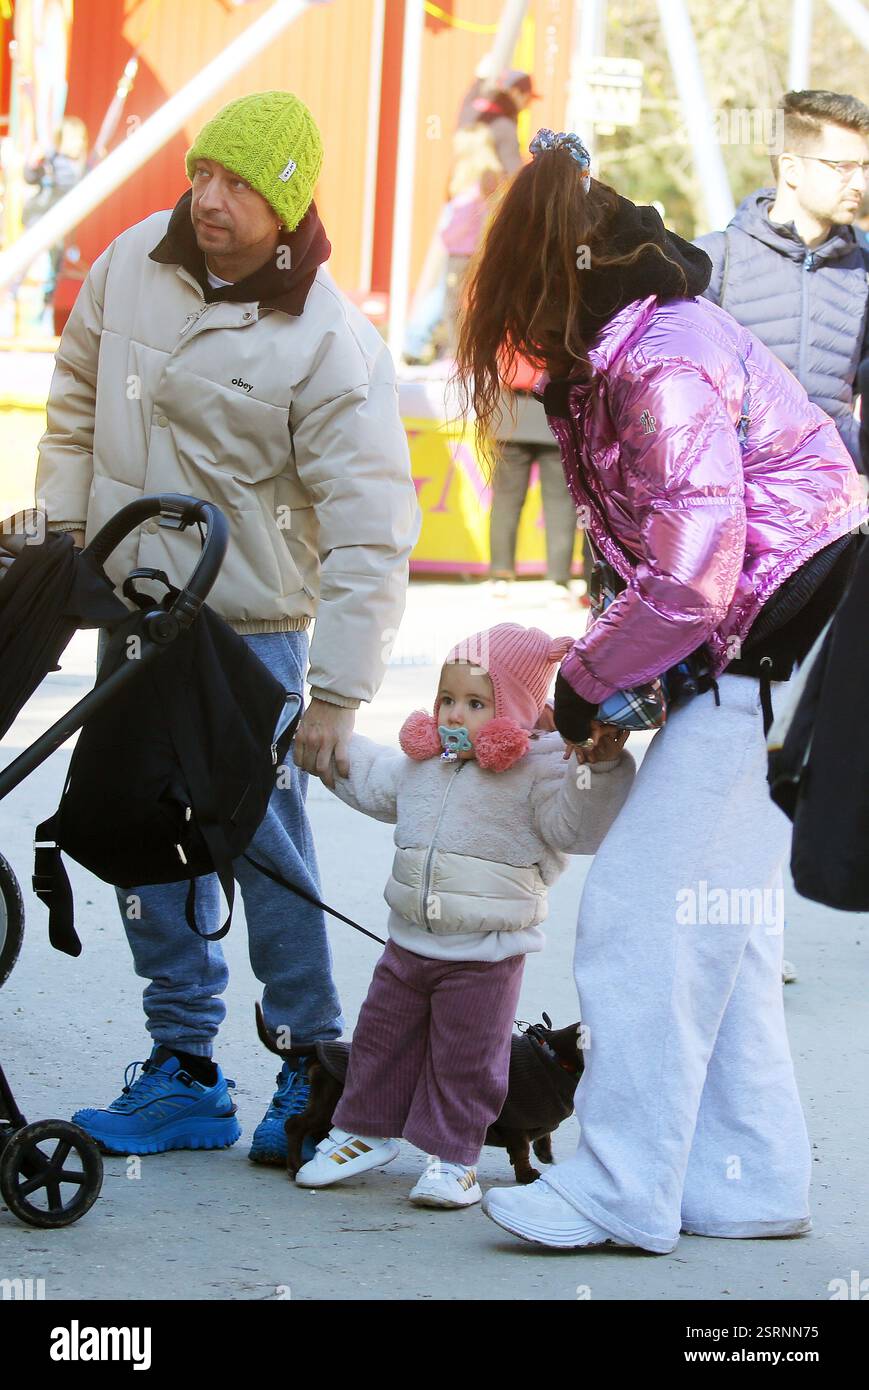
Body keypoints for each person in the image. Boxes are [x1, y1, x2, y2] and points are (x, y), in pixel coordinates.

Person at [452, 128, 865, 1252]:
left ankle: (621, 1185)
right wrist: (616, 692)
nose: (515, 342)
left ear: (554, 282)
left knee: (641, 907)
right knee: (716, 921)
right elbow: (675, 573)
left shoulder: (654, 360)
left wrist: (585, 692)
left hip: (783, 644)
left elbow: (690, 572)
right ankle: (748, 1175)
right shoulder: (631, 347)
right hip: (783, 638)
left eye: (516, 308)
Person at [35, 91, 420, 1162]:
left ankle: (314, 1062)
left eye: (239, 185)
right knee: (134, 832)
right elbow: (72, 404)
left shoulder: (329, 342)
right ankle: (184, 1068)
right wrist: (67, 550)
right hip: (131, 616)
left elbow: (372, 528)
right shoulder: (125, 266)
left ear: (287, 203)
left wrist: (337, 693)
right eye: (203, 171)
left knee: (266, 852)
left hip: (249, 631)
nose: (208, 198)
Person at [291, 623, 634, 1207]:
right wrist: (330, 751)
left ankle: (454, 1159)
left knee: (466, 1059)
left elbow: (579, 826)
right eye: (447, 699)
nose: (455, 714)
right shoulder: (424, 765)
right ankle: (364, 1133)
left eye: (477, 703)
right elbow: (372, 778)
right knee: (379, 1041)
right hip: (407, 944)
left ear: (520, 711)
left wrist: (598, 769)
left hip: (486, 954)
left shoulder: (542, 773)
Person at [695, 89, 869, 473]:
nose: (859, 182)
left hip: (832, 503)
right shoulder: (713, 261)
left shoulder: (864, 267)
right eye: (843, 166)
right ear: (791, 169)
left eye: (865, 166)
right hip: (737, 497)